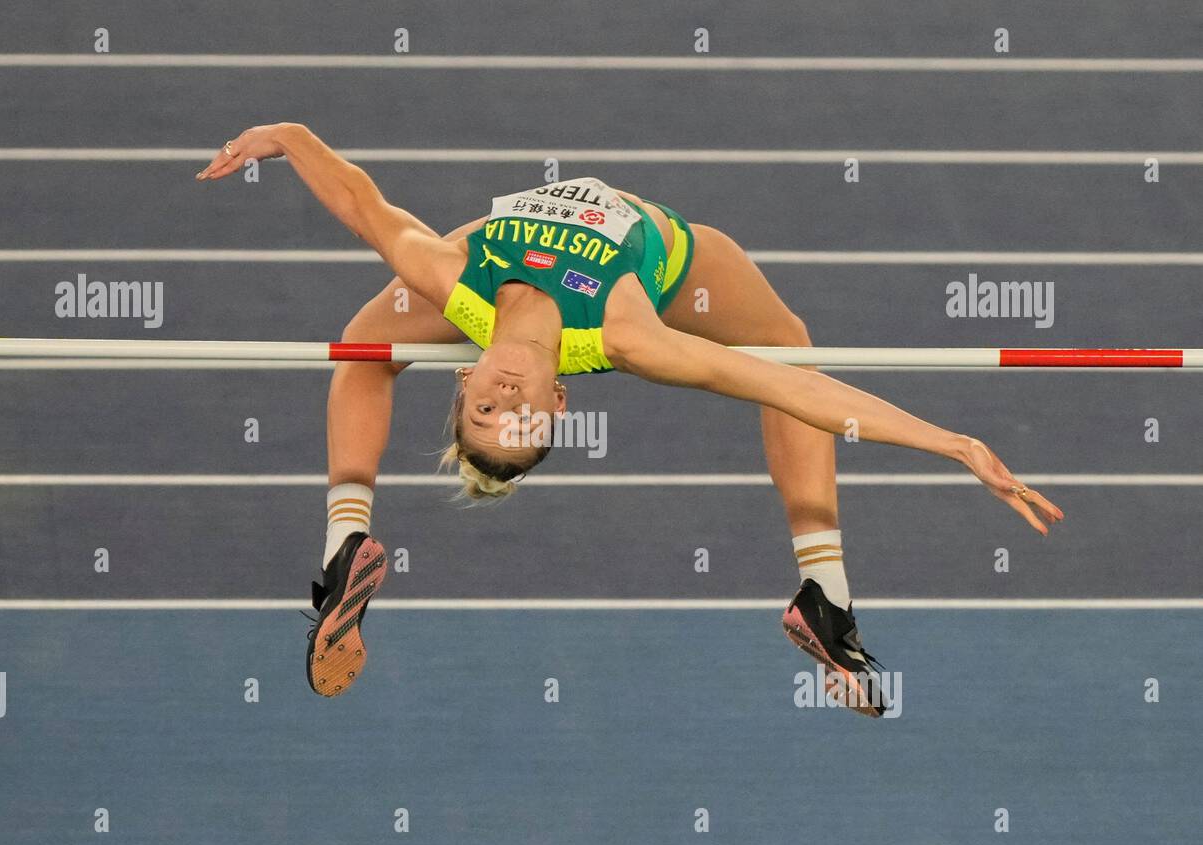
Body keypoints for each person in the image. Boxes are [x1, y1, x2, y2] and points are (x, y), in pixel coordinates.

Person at [197, 123, 1063, 715]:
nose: (507, 396)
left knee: (361, 344)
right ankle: (825, 595)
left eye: (486, 409)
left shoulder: (452, 277)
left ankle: (341, 545)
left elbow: (360, 203)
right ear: (560, 402)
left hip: (492, 260)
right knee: (784, 347)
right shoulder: (628, 333)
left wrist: (291, 136)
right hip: (676, 265)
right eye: (521, 416)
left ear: (462, 382)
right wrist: (953, 444)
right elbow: (795, 390)